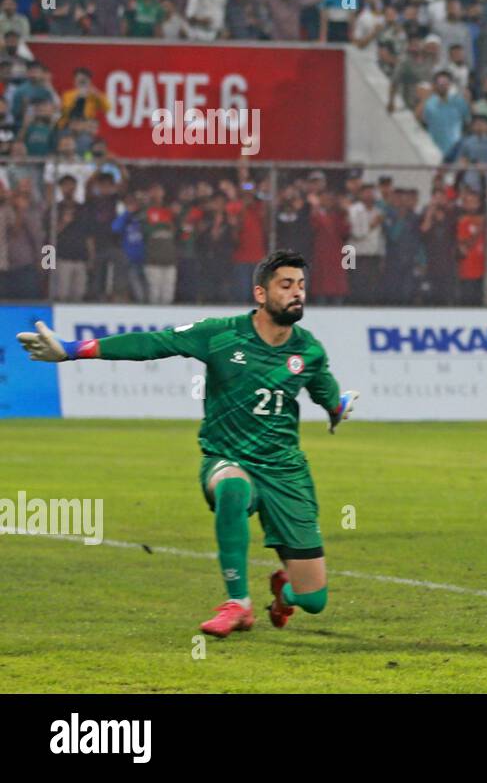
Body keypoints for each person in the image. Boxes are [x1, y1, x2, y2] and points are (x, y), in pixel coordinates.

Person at [16, 250, 359, 638]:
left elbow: (327, 395)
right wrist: (72, 350)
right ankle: (238, 604)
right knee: (232, 487)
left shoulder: (308, 350)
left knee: (314, 600)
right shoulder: (221, 334)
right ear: (261, 294)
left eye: (301, 285)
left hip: (285, 472)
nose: (297, 293)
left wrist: (338, 409)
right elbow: (153, 343)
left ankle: (285, 593)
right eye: (286, 285)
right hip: (227, 457)